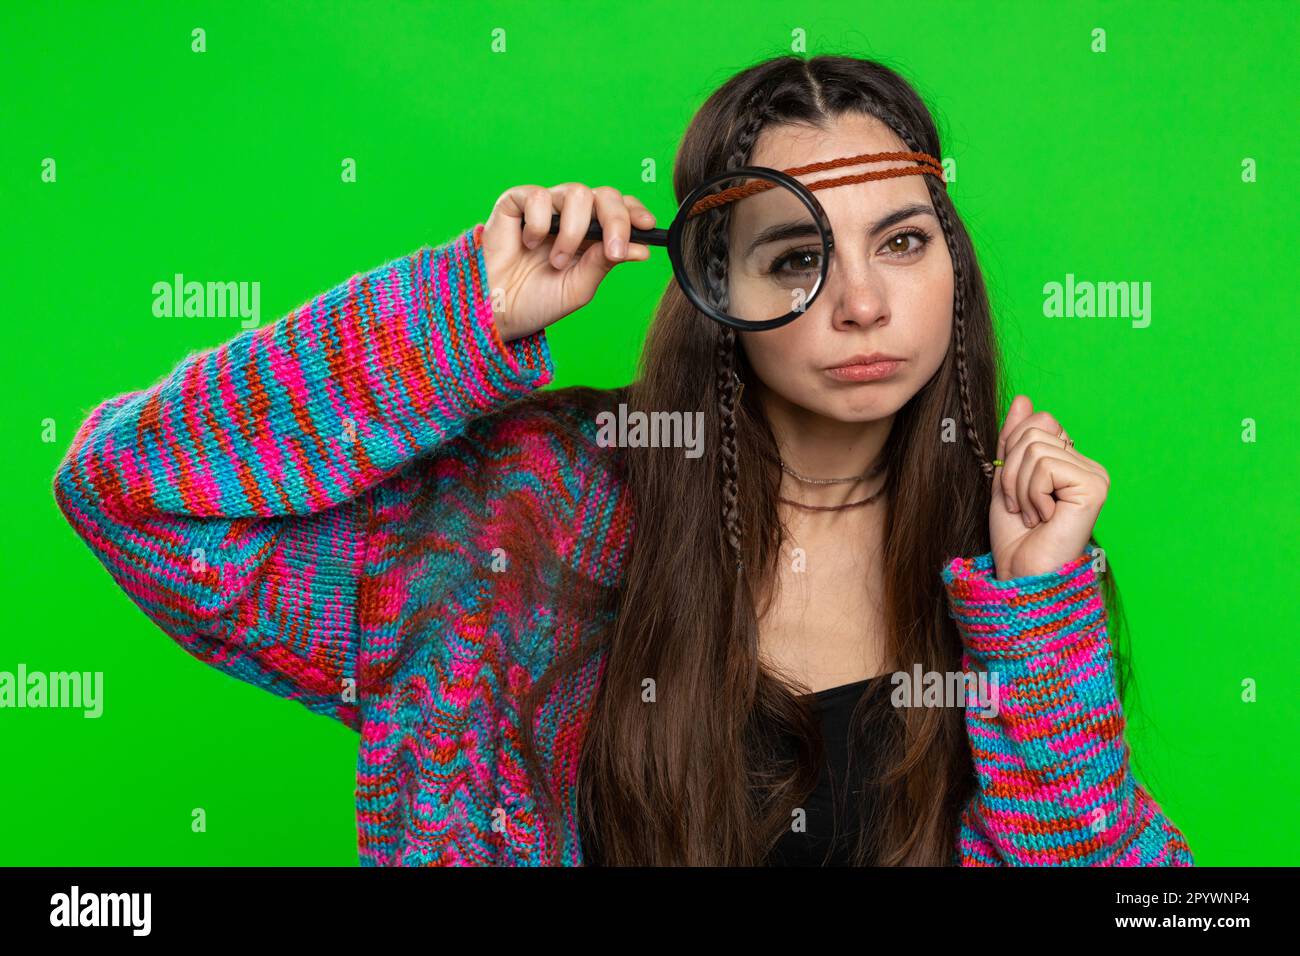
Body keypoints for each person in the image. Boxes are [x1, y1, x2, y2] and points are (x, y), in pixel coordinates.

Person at [52, 53, 1193, 867]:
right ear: (713, 285)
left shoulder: (1001, 557)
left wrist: (1038, 614)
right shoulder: (532, 520)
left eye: (900, 240)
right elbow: (132, 491)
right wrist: (458, 313)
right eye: (796, 254)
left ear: (955, 269)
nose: (858, 300)